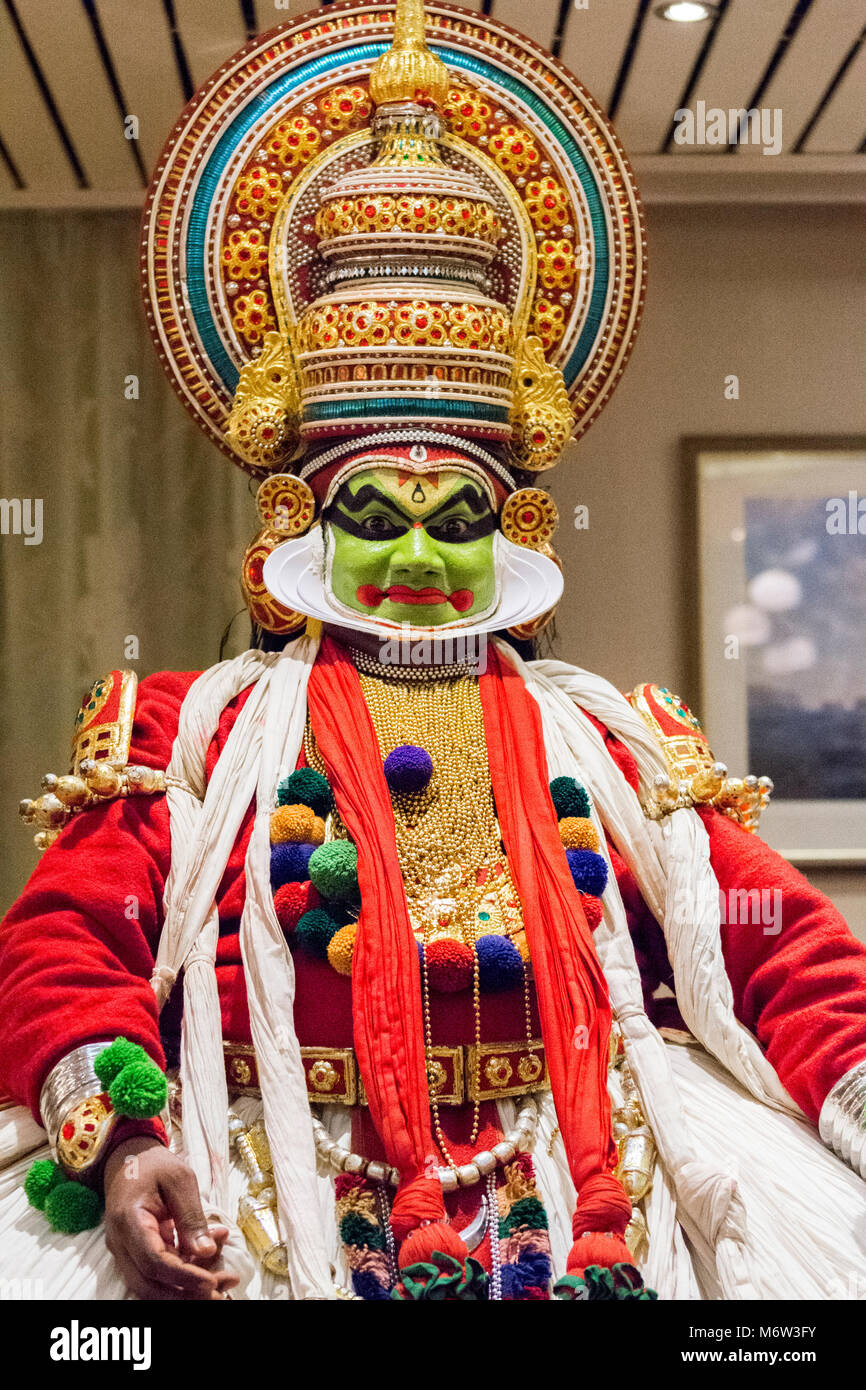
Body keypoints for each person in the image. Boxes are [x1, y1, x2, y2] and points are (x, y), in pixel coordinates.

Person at [2, 0, 865, 1303]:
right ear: (296, 520)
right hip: (264, 1185)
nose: (414, 559)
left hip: (595, 1181)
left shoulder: (621, 742)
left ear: (512, 528)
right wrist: (123, 1142)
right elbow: (68, 948)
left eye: (454, 519)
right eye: (372, 516)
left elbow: (784, 955)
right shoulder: (186, 732)